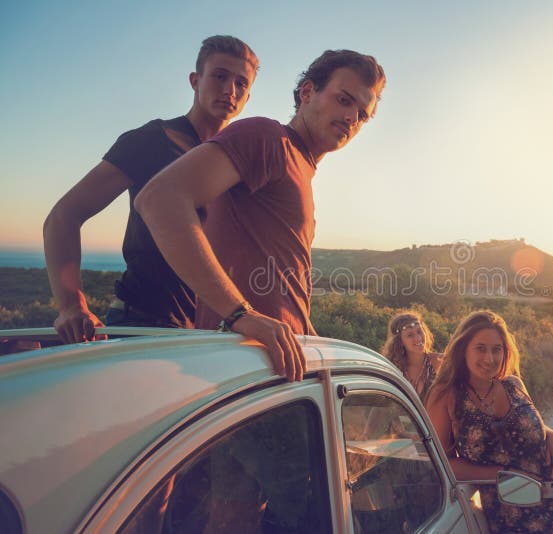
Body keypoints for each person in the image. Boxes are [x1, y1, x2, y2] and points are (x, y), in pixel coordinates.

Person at [135, 50, 386, 382]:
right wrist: (240, 314)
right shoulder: (269, 138)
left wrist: (309, 337)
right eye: (343, 99)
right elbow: (160, 200)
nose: (352, 116)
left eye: (363, 114)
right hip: (242, 373)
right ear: (307, 92)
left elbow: (282, 283)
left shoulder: (301, 169)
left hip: (280, 373)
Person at [43, 35, 259, 343]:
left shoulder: (232, 163)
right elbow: (63, 216)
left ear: (248, 97)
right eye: (220, 76)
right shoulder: (155, 139)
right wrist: (70, 306)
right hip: (142, 322)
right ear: (195, 81)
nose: (230, 90)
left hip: (202, 334)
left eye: (241, 83)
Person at [426, 311, 553, 534]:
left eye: (496, 349)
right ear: (463, 350)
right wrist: (505, 474)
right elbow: (442, 464)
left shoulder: (513, 384)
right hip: (511, 513)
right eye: (481, 348)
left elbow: (533, 429)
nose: (489, 358)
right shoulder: (445, 396)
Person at [381, 312, 443, 402]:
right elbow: (383, 404)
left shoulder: (439, 362)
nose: (418, 338)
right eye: (410, 335)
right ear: (400, 341)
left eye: (419, 331)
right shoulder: (395, 370)